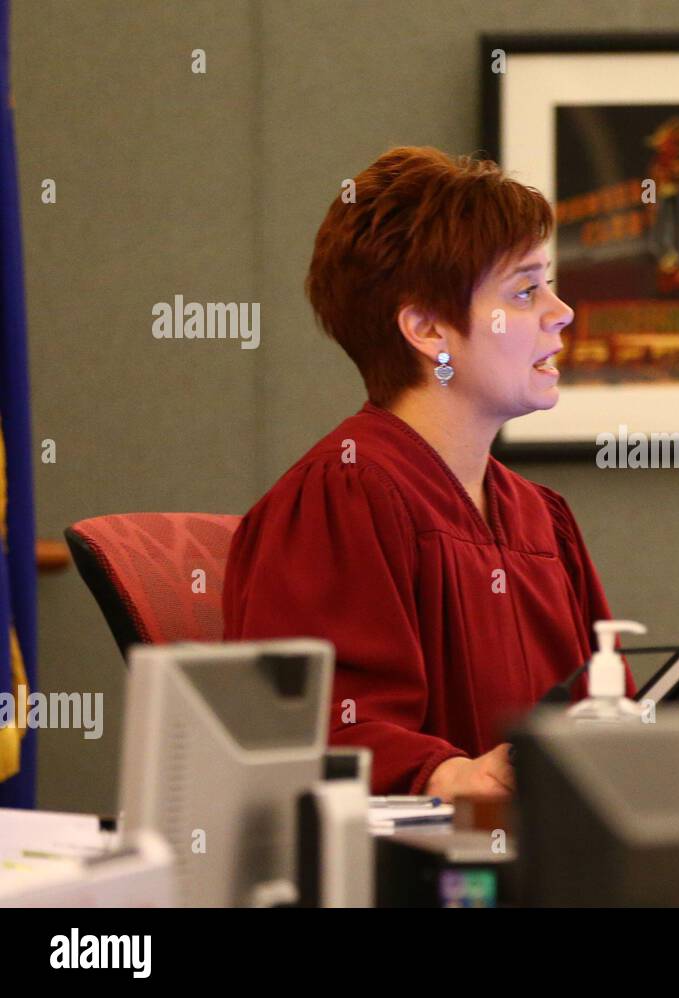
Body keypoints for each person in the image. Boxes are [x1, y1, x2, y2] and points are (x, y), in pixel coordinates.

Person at [223, 146, 633, 799]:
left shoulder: (541, 517)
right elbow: (307, 732)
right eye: (526, 290)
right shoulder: (343, 494)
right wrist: (446, 774)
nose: (562, 312)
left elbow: (605, 719)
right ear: (428, 329)